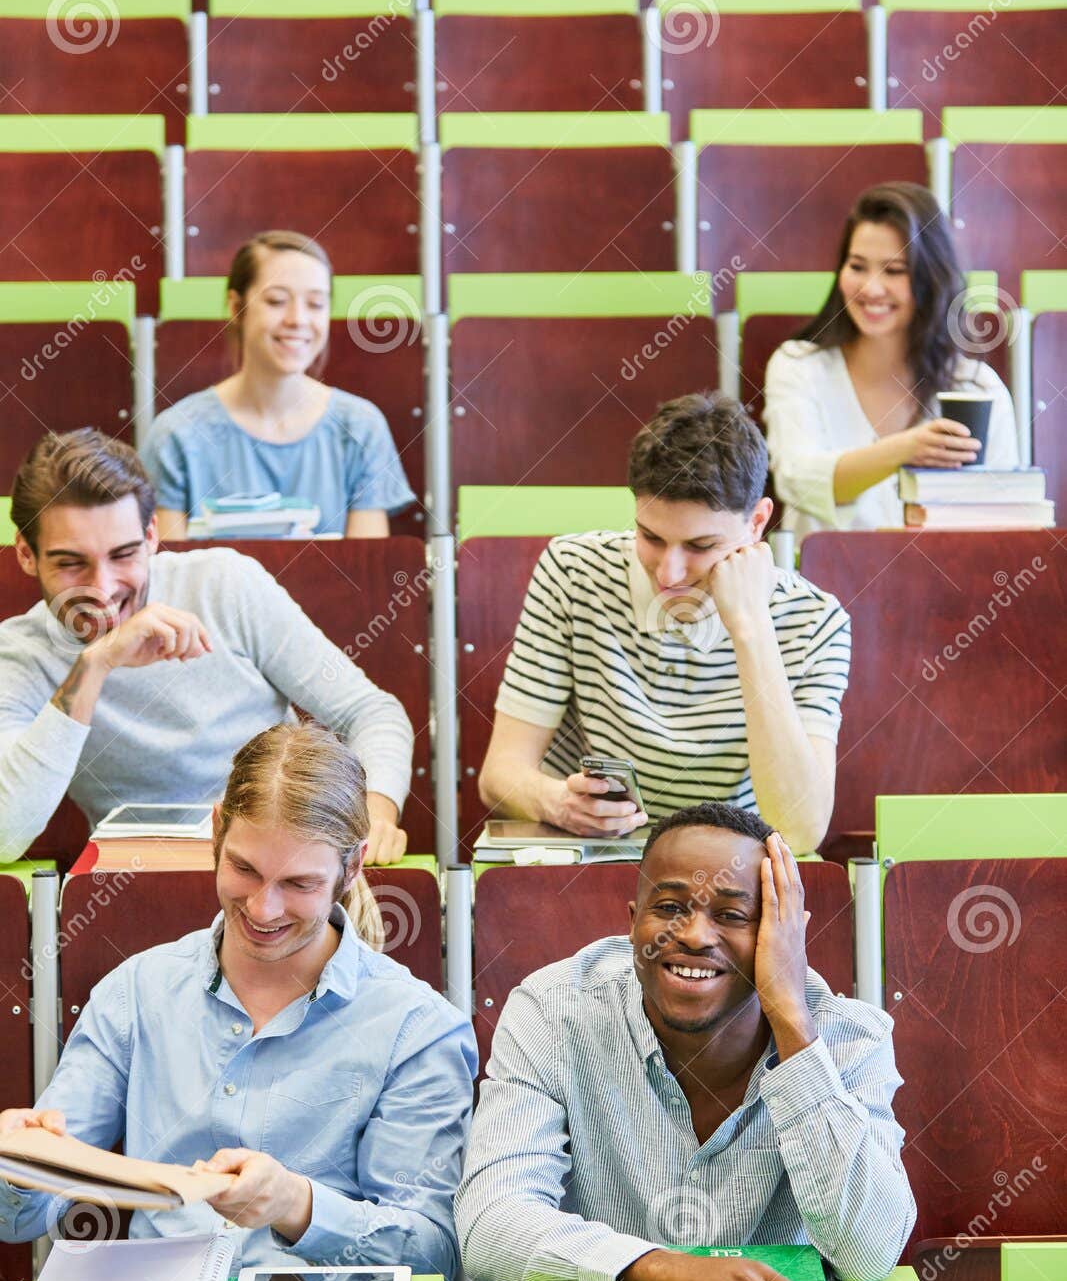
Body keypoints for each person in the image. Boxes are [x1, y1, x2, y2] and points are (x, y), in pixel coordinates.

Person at [0, 722, 477, 1281]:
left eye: (298, 884)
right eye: (244, 869)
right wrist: (19, 1165)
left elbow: (434, 1255)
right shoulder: (137, 993)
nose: (263, 908)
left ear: (350, 868)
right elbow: (22, 1220)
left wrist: (297, 1206)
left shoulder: (416, 1029)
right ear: (217, 832)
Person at [456, 803, 916, 1281]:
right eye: (671, 908)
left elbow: (870, 1252)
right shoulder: (555, 1009)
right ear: (634, 923)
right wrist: (661, 1270)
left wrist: (790, 1019)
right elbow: (489, 1219)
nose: (695, 936)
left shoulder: (848, 1036)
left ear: (783, 935)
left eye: (733, 915)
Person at [0, 428, 412, 863]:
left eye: (123, 555)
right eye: (71, 563)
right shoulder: (20, 653)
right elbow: (7, 833)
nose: (102, 589)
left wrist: (377, 811)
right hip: (138, 882)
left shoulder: (226, 584)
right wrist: (95, 665)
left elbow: (370, 712)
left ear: (152, 536)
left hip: (277, 866)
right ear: (26, 554)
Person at [477, 393, 851, 856]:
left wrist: (750, 627)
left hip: (725, 877)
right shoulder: (572, 571)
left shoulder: (816, 622)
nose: (669, 574)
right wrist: (557, 803)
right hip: (598, 862)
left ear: (757, 522)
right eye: (651, 537)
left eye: (700, 545)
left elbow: (799, 830)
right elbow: (499, 775)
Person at [763, 182, 1019, 540]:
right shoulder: (798, 366)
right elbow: (798, 482)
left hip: (943, 589)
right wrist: (905, 449)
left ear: (931, 278)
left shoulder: (977, 387)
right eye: (857, 266)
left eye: (894, 270)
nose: (870, 288)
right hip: (824, 589)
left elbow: (1004, 522)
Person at [141, 230, 414, 539]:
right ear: (236, 307)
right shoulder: (177, 434)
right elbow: (171, 575)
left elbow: (365, 574)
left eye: (316, 304)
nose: (298, 319)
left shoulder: (361, 427)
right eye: (277, 301)